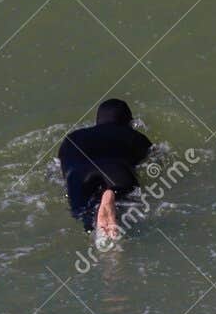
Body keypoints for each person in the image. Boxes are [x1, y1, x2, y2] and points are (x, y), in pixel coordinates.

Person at [58, 98, 152, 242]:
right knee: (123, 191)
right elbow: (151, 160)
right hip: (116, 171)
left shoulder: (72, 137)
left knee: (82, 213)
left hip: (77, 175)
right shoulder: (135, 136)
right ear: (130, 122)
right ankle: (109, 195)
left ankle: (93, 223)